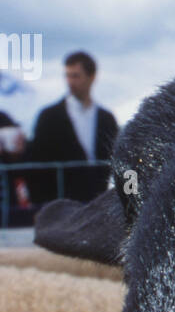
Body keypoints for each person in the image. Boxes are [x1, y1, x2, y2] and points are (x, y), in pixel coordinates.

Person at [26, 52, 119, 204]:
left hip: (98, 204)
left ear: (92, 77)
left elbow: (115, 161)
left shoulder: (106, 119)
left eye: (76, 76)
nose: (70, 81)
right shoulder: (49, 117)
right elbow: (36, 164)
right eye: (67, 76)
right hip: (59, 206)